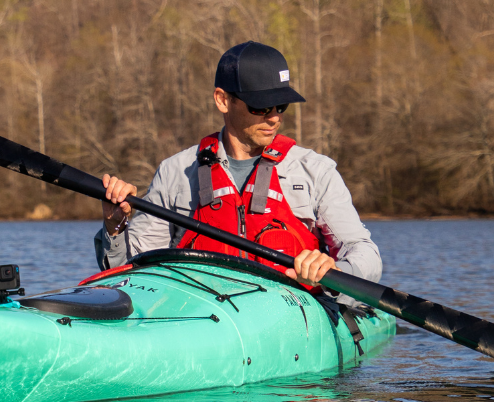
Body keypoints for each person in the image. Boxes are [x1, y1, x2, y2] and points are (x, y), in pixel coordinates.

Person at [94, 41, 381, 297]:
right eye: (260, 107)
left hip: (292, 309)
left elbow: (365, 255)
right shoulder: (175, 173)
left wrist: (331, 270)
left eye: (281, 106)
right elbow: (133, 273)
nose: (273, 119)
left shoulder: (315, 171)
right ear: (222, 100)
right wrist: (115, 228)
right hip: (202, 311)